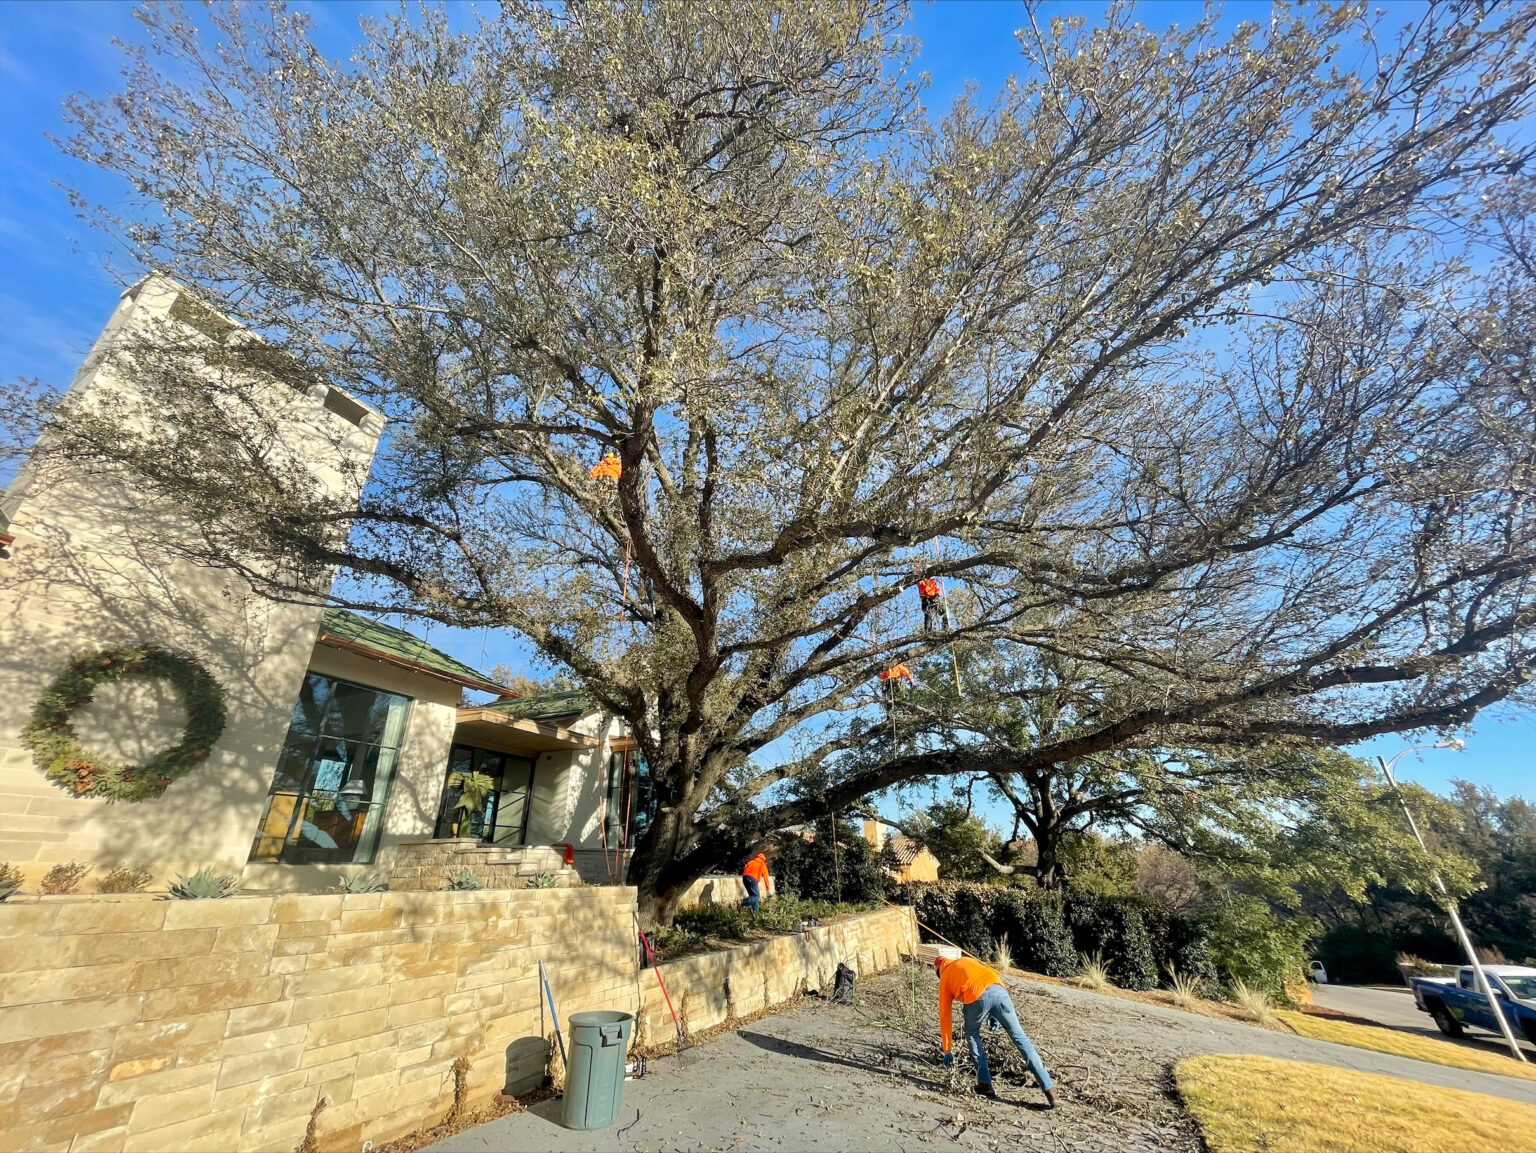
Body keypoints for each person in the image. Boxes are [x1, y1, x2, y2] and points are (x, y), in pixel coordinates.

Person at [935, 955, 1056, 1107]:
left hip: (975, 995)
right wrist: (994, 1014)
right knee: (1020, 1037)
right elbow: (987, 978)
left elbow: (945, 1016)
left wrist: (947, 1050)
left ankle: (985, 1083)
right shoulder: (967, 960)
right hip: (1000, 990)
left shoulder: (945, 977)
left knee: (971, 1034)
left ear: (938, 971)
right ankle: (1049, 1088)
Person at [740, 849, 771, 914]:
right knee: (756, 897)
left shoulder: (750, 862)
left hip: (744, 878)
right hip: (753, 879)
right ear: (763, 860)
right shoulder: (762, 864)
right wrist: (768, 889)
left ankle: (756, 913)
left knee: (753, 896)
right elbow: (766, 878)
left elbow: (745, 868)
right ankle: (742, 902)